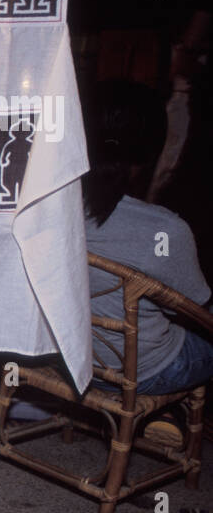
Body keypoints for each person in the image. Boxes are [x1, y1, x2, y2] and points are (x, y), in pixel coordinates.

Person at [82, 80, 212, 394]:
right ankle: (163, 414)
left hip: (69, 357)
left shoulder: (45, 205)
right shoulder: (163, 230)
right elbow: (195, 311)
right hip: (142, 372)